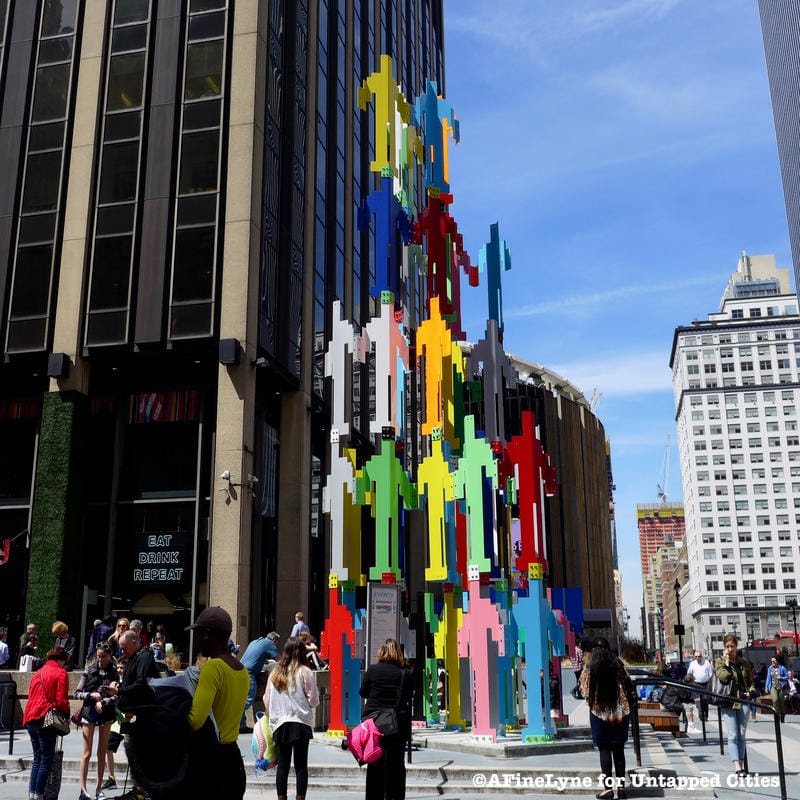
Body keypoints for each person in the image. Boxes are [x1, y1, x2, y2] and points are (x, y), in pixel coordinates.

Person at [187, 606, 249, 800]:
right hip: (233, 758)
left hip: (210, 761)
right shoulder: (242, 671)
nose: (196, 640)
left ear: (207, 635)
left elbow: (195, 721)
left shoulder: (213, 668)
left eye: (197, 634)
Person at [265, 636, 320, 800]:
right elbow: (314, 700)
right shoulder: (305, 671)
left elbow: (267, 700)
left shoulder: (275, 672)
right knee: (301, 765)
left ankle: (281, 797)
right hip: (300, 722)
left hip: (280, 723)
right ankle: (300, 797)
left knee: (282, 765)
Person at [359, 638, 413, 800]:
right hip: (397, 725)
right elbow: (408, 696)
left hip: (375, 726)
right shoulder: (406, 674)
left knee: (375, 765)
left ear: (381, 652)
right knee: (396, 767)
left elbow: (363, 692)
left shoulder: (373, 670)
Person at [580, 640, 633, 800]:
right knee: (619, 750)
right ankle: (622, 788)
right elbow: (629, 683)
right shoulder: (618, 666)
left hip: (599, 714)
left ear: (594, 650)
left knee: (604, 750)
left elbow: (584, 690)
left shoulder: (590, 668)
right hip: (620, 714)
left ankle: (608, 789)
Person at [22, 647, 70, 800]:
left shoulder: (38, 673)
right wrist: (66, 715)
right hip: (45, 717)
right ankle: (40, 795)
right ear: (61, 659)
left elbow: (31, 694)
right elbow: (61, 700)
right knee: (46, 760)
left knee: (37, 758)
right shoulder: (61, 673)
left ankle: (33, 794)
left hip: (31, 716)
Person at [75, 643, 117, 800]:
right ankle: (83, 790)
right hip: (89, 712)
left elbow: (117, 695)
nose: (100, 659)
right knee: (86, 752)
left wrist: (105, 701)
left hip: (106, 713)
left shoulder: (113, 672)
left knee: (102, 752)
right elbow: (76, 693)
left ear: (109, 655)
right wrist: (90, 695)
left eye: (103, 656)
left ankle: (99, 788)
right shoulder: (89, 670)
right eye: (98, 656)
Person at [714, 633, 756, 776]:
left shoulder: (744, 663)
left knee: (742, 734)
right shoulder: (719, 662)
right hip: (729, 702)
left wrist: (751, 692)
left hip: (743, 701)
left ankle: (742, 764)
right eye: (727, 647)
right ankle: (737, 766)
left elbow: (750, 682)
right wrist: (726, 662)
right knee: (732, 735)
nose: (730, 649)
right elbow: (723, 678)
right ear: (724, 648)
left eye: (732, 646)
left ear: (737, 646)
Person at [106, 629, 159, 711]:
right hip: (129, 708)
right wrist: (119, 685)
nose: (123, 652)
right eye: (122, 649)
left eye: (125, 649)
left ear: (134, 643)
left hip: (141, 709)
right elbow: (130, 680)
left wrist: (119, 690)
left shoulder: (144, 657)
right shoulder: (132, 657)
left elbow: (141, 683)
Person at [240, 630, 281, 730]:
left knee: (242, 699)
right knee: (248, 699)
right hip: (249, 673)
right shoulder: (269, 644)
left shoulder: (255, 641)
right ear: (274, 640)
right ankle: (232, 715)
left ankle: (242, 726)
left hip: (240, 670)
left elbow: (257, 656)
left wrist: (264, 660)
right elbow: (280, 660)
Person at [686, 650, 713, 722]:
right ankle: (701, 713)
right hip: (696, 684)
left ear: (701, 656)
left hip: (706, 684)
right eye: (696, 657)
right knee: (698, 701)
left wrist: (710, 684)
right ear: (694, 657)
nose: (698, 658)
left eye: (699, 656)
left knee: (705, 700)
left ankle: (706, 716)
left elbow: (710, 674)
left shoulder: (706, 663)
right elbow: (689, 673)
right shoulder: (692, 664)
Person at [766, 654, 789, 723]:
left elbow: (787, 677)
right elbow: (768, 678)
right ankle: (777, 717)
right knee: (775, 701)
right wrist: (767, 687)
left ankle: (782, 717)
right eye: (771, 661)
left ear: (777, 661)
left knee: (781, 703)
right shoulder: (770, 668)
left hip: (781, 687)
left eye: (774, 661)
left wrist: (781, 678)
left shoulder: (782, 668)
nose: (772, 662)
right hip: (773, 686)